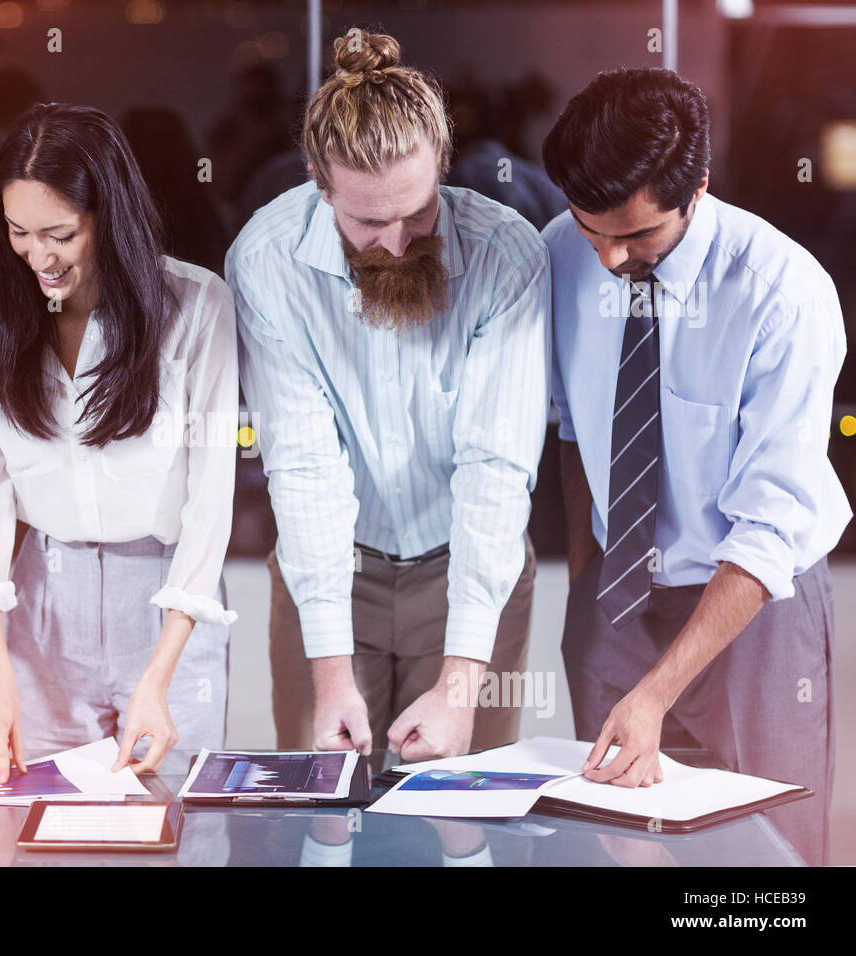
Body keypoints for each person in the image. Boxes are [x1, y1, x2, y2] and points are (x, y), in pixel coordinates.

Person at [542, 68, 848, 865]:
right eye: (589, 228)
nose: (608, 258)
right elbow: (574, 430)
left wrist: (657, 691)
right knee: (606, 840)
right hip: (617, 593)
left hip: (753, 601)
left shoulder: (782, 292)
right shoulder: (557, 252)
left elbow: (769, 524)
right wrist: (587, 580)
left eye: (637, 237)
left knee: (764, 855)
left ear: (698, 188)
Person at [227, 29, 550, 761]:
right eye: (368, 221)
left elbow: (495, 470)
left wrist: (463, 685)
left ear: (442, 163)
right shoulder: (266, 261)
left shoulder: (508, 256)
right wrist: (332, 674)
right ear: (318, 177)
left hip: (471, 563)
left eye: (419, 213)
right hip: (332, 565)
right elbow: (305, 469)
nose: (399, 244)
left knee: (466, 817)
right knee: (324, 815)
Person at [0, 103, 238, 780]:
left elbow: (210, 501)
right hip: (41, 604)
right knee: (40, 829)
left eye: (61, 234)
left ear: (109, 218)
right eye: (19, 232)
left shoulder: (197, 307)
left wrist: (160, 675)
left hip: (167, 598)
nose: (38, 257)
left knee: (178, 829)